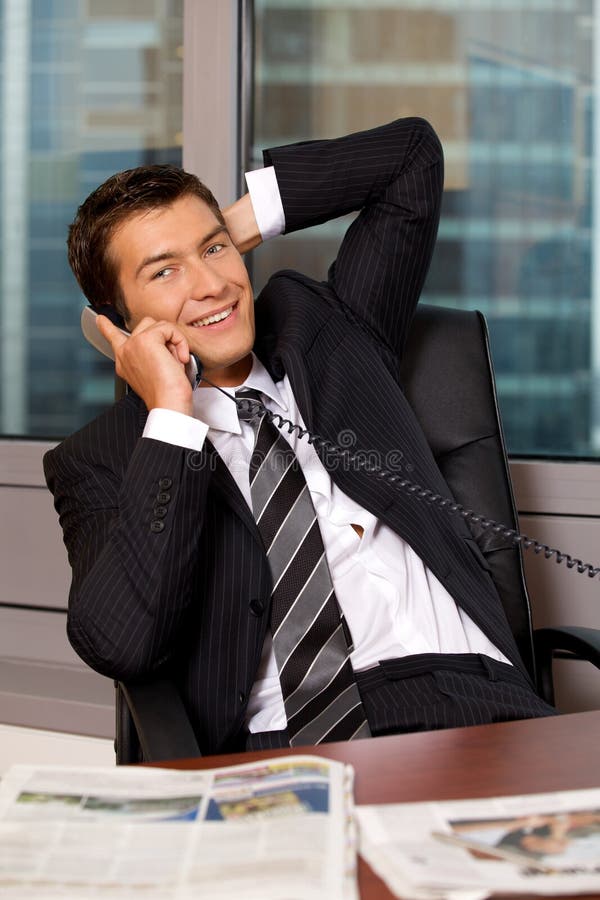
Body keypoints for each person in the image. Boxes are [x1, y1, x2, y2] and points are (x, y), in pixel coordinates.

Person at [44, 117, 555, 754]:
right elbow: (121, 643)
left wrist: (235, 222)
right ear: (118, 323)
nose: (212, 286)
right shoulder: (101, 459)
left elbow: (411, 157)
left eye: (214, 251)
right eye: (164, 272)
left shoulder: (331, 332)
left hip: (472, 699)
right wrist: (172, 416)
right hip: (286, 741)